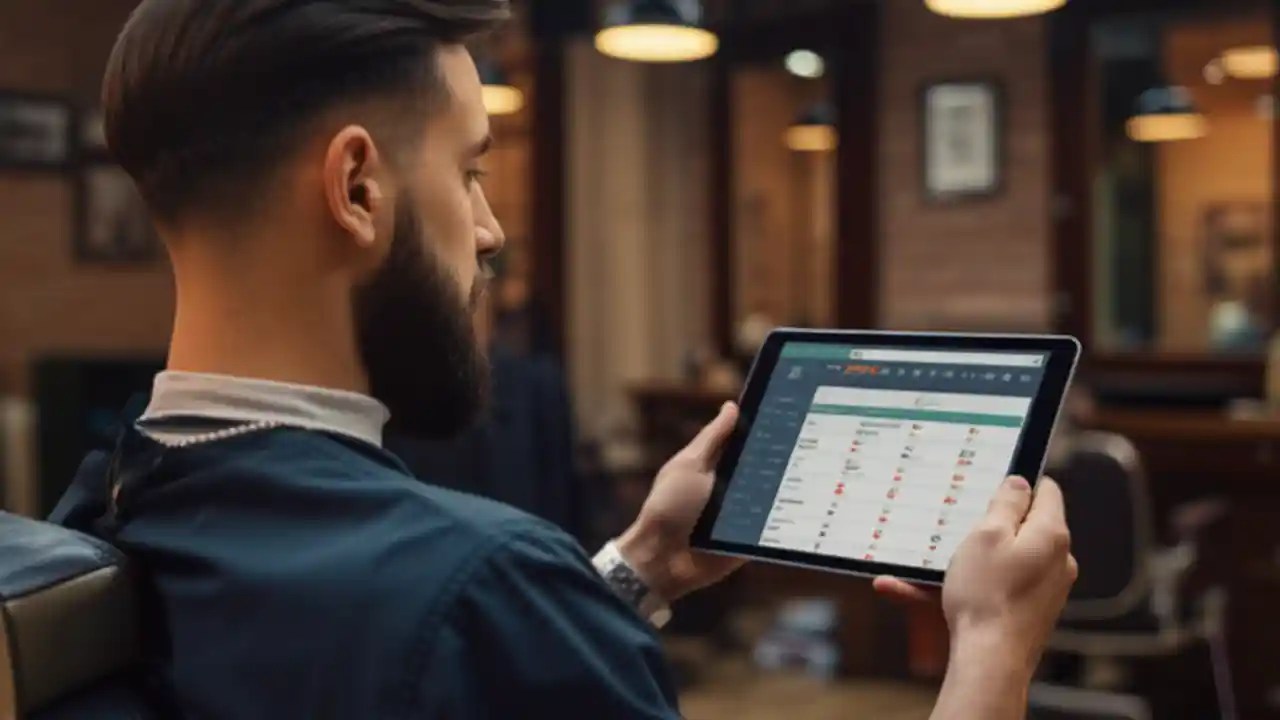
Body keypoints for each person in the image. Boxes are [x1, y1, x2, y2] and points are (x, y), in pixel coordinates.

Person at [51, 1, 1077, 718]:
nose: (490, 231)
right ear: (357, 187)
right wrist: (991, 646)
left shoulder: (94, 522)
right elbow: (454, 629)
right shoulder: (484, 585)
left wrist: (637, 570)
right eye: (468, 171)